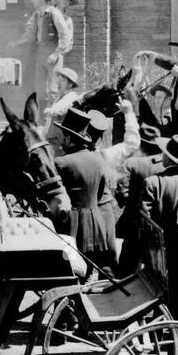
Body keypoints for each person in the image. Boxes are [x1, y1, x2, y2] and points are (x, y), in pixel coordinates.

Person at [123, 135, 178, 315]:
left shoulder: (153, 183)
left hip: (159, 253)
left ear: (170, 158)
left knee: (157, 300)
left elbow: (144, 221)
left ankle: (161, 336)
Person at [53, 107, 119, 270]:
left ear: (68, 137)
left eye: (62, 136)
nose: (61, 140)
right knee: (90, 266)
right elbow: (99, 194)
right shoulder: (98, 159)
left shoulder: (62, 163)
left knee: (70, 268)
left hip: (72, 226)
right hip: (96, 222)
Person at [13, 0, 69, 107]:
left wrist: (56, 54)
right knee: (39, 88)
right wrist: (17, 43)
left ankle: (53, 119)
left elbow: (65, 36)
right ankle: (42, 120)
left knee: (53, 88)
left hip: (53, 53)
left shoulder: (54, 13)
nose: (31, 0)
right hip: (40, 52)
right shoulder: (36, 15)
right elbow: (30, 34)